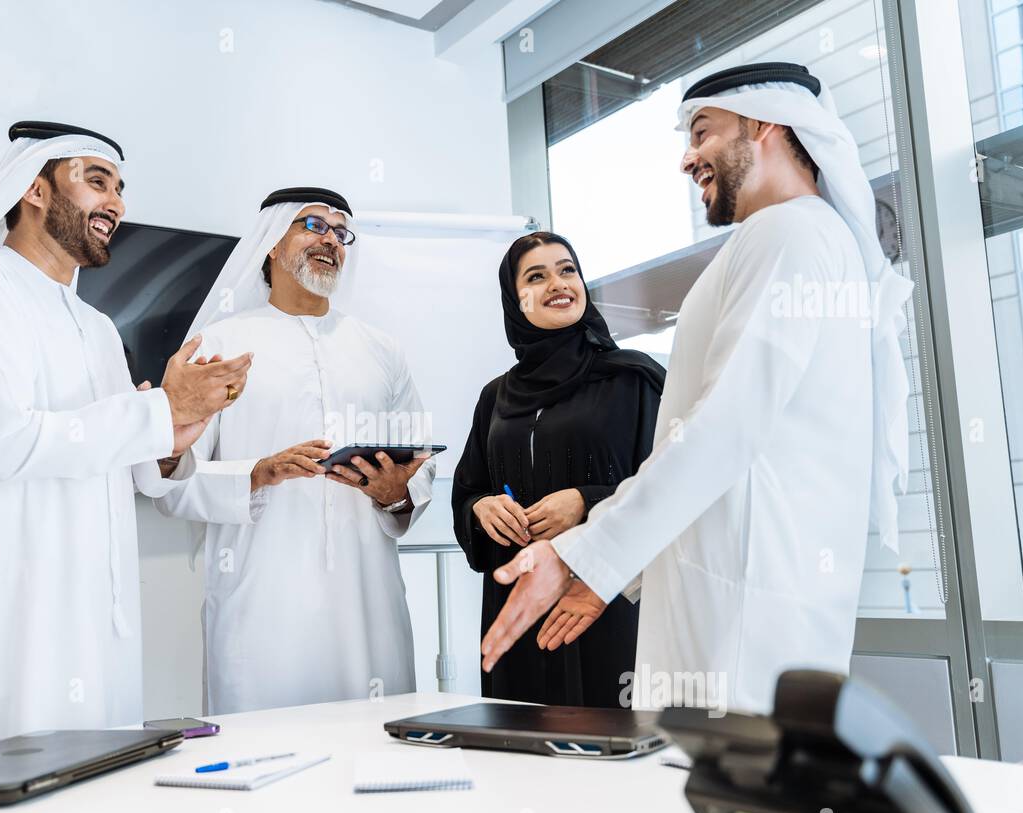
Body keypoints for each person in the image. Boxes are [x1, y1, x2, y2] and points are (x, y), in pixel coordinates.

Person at [479, 62, 914, 714]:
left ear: (765, 123)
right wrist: (606, 569)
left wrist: (585, 554)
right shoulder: (789, 239)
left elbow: (723, 427)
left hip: (742, 624)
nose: (688, 158)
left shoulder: (788, 233)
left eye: (703, 132)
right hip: (737, 609)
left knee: (722, 802)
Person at [0, 121, 250, 751]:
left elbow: (132, 467)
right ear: (34, 190)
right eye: (97, 181)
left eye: (120, 188)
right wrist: (156, 414)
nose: (116, 204)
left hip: (93, 619)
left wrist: (176, 433)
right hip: (1, 620)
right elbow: (1, 445)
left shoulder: (97, 327)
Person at [153, 187, 434, 713]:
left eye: (340, 232)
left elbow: (421, 463)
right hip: (262, 606)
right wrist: (257, 473)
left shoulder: (381, 349)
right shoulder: (220, 344)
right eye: (313, 226)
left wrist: (396, 493)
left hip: (367, 604)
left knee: (374, 761)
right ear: (270, 244)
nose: (331, 240)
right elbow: (172, 482)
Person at [452, 232, 663, 707]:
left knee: (609, 749)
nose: (558, 283)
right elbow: (469, 490)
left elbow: (667, 489)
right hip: (517, 606)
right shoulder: (496, 398)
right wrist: (482, 507)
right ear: (515, 297)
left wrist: (586, 503)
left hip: (604, 597)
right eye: (537, 276)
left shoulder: (631, 378)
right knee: (520, 750)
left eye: (567, 270)